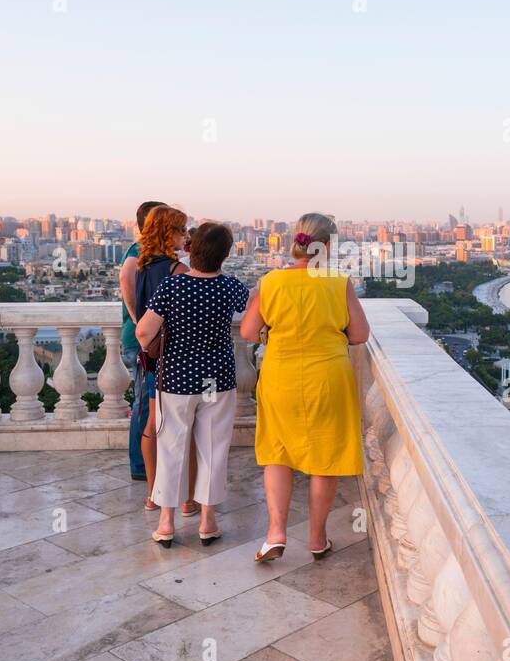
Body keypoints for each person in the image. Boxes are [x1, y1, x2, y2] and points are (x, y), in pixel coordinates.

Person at [240, 212, 370, 561]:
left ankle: (275, 533)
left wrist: (274, 330)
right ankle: (316, 538)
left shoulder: (271, 282)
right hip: (328, 378)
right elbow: (359, 335)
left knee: (277, 454)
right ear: (326, 247)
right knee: (324, 459)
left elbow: (249, 332)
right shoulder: (337, 282)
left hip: (280, 377)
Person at [135, 222, 248, 547]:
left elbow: (144, 332)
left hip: (177, 380)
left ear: (190, 250)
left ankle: (167, 523)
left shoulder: (173, 287)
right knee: (213, 448)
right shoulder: (230, 287)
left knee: (171, 447)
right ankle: (208, 522)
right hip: (217, 378)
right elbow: (254, 306)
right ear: (224, 256)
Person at [134, 205, 199, 513]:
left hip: (151, 354)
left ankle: (152, 494)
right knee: (182, 429)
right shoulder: (177, 271)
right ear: (168, 232)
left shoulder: (142, 265)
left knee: (153, 424)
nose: (185, 236)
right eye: (181, 230)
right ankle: (187, 500)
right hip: (177, 356)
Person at [120, 200, 165, 480]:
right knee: (145, 400)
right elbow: (126, 278)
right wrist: (141, 322)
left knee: (149, 399)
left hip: (146, 339)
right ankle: (140, 466)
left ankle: (148, 463)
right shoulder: (139, 252)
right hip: (143, 341)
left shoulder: (149, 252)